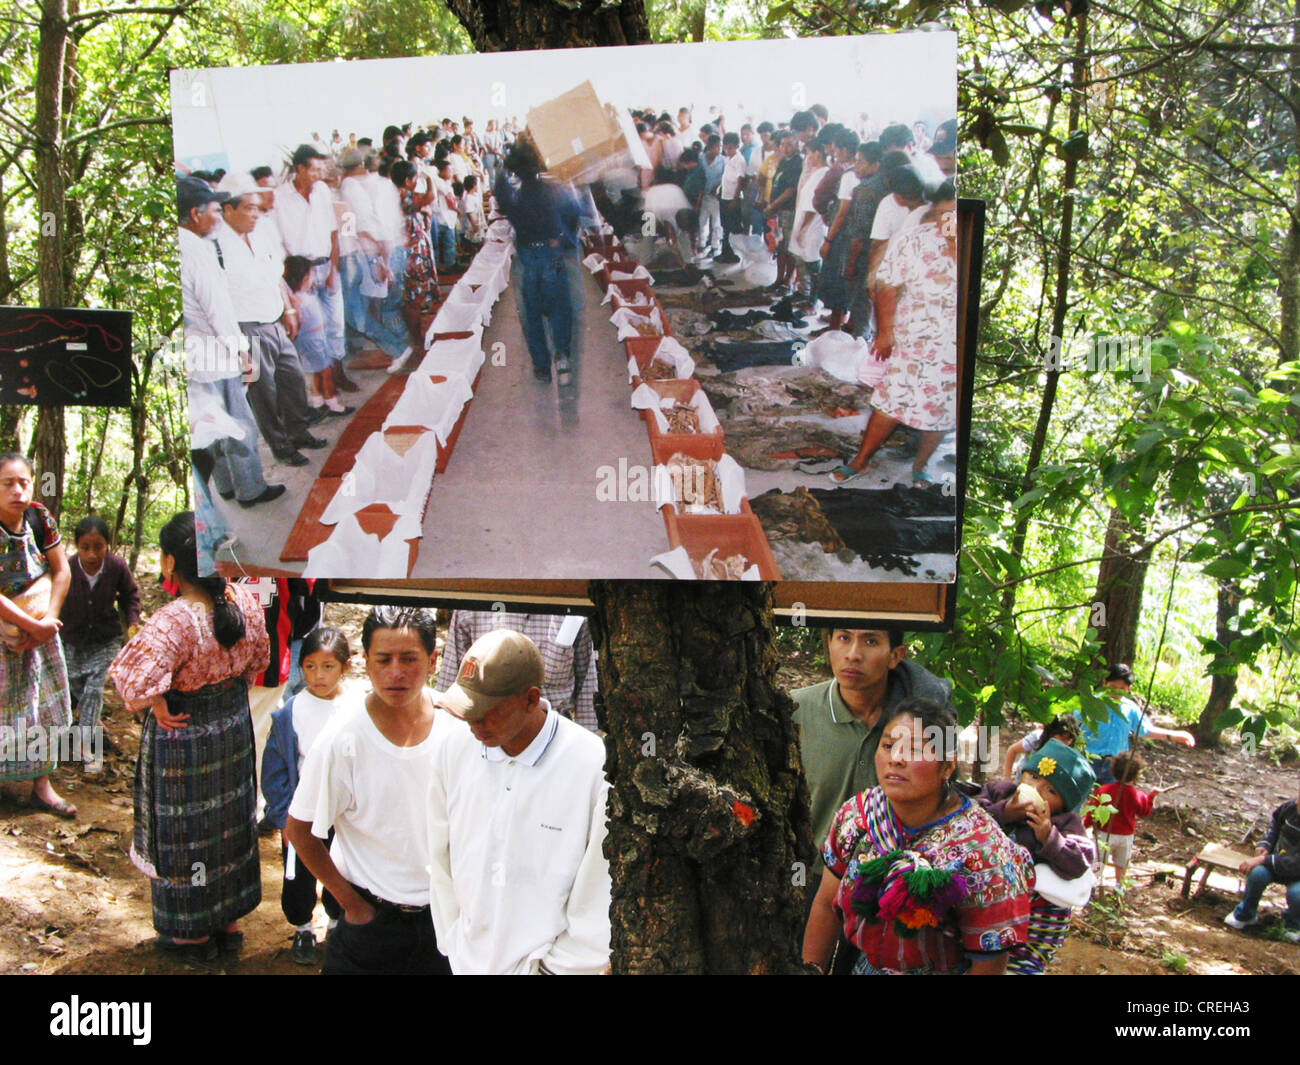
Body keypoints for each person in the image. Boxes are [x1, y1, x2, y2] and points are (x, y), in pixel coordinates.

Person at [108, 512, 269, 961]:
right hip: (233, 734)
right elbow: (259, 661)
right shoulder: (247, 604)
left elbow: (129, 682)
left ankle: (191, 936)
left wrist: (158, 701)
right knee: (228, 825)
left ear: (170, 563)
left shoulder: (173, 621)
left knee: (187, 833)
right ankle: (228, 921)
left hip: (184, 740)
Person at [803, 697, 1034, 974]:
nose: (896, 759)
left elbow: (989, 962)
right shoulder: (858, 817)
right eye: (888, 745)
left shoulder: (984, 852)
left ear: (947, 767)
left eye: (913, 750)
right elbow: (827, 905)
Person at [429, 629, 611, 974]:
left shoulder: (591, 764)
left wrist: (558, 969)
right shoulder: (451, 751)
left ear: (531, 699)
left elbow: (597, 888)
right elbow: (440, 857)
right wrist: (453, 941)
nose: (474, 723)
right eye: (468, 709)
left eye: (488, 711)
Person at [284, 606, 451, 975]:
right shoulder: (341, 738)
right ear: (364, 661)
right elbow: (299, 829)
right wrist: (352, 905)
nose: (396, 673)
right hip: (371, 921)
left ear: (433, 660)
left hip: (446, 919)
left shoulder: (454, 726)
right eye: (383, 659)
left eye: (409, 659)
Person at [791, 627, 953, 898]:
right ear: (829, 643)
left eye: (870, 641)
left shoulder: (918, 726)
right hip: (809, 878)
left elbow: (943, 798)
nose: (853, 655)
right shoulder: (796, 710)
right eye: (843, 638)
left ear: (895, 656)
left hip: (889, 885)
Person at [829, 179, 958, 486]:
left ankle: (922, 465)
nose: (948, 223)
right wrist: (886, 332)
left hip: (955, 348)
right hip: (913, 339)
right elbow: (886, 285)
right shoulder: (916, 239)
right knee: (890, 402)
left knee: (940, 410)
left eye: (957, 216)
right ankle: (860, 461)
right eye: (943, 214)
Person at [178, 176, 285, 510]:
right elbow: (218, 311)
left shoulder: (179, 245)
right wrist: (242, 353)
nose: (218, 217)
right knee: (239, 425)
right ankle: (250, 489)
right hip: (216, 354)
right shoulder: (198, 250)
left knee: (211, 426)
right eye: (214, 210)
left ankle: (225, 485)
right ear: (196, 214)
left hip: (194, 357)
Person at [215, 173, 325, 468]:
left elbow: (276, 274)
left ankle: (298, 431)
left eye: (257, 207)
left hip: (273, 317)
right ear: (229, 209)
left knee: (292, 378)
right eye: (248, 208)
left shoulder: (262, 232)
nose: (255, 214)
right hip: (245, 326)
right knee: (262, 391)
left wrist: (289, 309)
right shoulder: (216, 246)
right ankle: (281, 445)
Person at [262, 626, 354, 964]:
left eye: (328, 667)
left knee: (341, 869)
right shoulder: (290, 712)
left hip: (343, 815)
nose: (318, 675)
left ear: (346, 666)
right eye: (310, 666)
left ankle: (336, 922)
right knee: (300, 876)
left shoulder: (357, 707)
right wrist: (284, 817)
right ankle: (302, 928)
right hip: (303, 814)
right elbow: (274, 769)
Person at [977, 739, 1096, 974]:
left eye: (1051, 790)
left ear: (1065, 804)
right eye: (1033, 777)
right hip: (985, 900)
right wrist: (1005, 812)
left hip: (1033, 918)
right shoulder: (1000, 793)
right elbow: (969, 821)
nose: (1037, 789)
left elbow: (1078, 863)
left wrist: (1048, 836)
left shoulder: (1066, 824)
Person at [0, 453, 76, 817]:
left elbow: (62, 571)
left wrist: (48, 621)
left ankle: (41, 786)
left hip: (42, 626)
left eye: (24, 482)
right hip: (8, 626)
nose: (18, 490)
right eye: (7, 483)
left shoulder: (39, 516)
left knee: (42, 707)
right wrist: (29, 626)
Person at [494, 139, 581, 384]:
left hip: (527, 257)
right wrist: (563, 238)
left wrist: (503, 167)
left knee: (531, 315)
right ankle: (562, 359)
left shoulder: (515, 197)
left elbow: (500, 190)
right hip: (551, 254)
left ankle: (541, 367)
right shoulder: (555, 190)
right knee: (559, 309)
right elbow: (575, 211)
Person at [59, 514, 141, 775]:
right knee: (75, 689)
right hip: (72, 640)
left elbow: (130, 596)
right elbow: (54, 598)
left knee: (94, 691)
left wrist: (132, 622)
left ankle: (87, 750)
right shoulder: (66, 568)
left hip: (105, 640)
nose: (92, 554)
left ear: (109, 545)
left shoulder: (116, 567)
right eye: (85, 547)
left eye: (99, 547)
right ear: (77, 546)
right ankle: (79, 732)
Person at [436, 610, 599, 732]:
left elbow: (588, 689)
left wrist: (594, 753)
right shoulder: (474, 606)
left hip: (552, 736)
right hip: (485, 733)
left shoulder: (573, 608)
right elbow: (449, 686)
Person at [1080, 663, 1194, 784]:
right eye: (1112, 686)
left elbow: (1145, 730)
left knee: (1110, 799)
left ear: (1129, 689)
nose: (1116, 691)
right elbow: (1073, 723)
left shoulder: (1130, 709)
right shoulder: (1091, 702)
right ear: (1105, 683)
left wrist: (1174, 735)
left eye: (1122, 688)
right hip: (1088, 759)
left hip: (1115, 765)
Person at [1224, 778, 1300, 942]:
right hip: (1273, 861)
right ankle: (1246, 914)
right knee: (1257, 875)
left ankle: (1294, 924)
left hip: (1296, 874)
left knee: (1297, 894)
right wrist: (1265, 844)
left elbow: (1296, 864)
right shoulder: (1289, 808)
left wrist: (1262, 860)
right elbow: (1274, 827)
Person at [1084, 749, 1158, 889]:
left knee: (1099, 860)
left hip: (1104, 834)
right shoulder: (1138, 795)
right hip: (1126, 836)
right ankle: (1120, 885)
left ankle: (1093, 882)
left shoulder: (1104, 790)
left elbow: (1093, 811)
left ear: (1113, 771)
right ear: (1136, 775)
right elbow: (1144, 812)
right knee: (1122, 862)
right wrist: (1151, 797)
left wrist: (1086, 824)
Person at [1001, 713, 1080, 781]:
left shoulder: (1067, 754)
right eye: (1063, 738)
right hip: (1021, 781)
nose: (1066, 743)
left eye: (1069, 740)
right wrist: (1007, 778)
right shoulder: (1036, 738)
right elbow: (1012, 750)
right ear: (1052, 733)